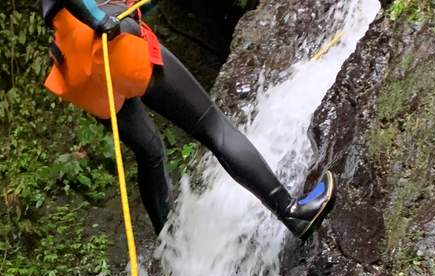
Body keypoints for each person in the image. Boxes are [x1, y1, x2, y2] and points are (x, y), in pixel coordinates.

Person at [40, 0, 337, 239]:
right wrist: (96, 18)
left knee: (150, 151)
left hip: (76, 69)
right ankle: (292, 212)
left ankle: (169, 248)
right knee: (214, 127)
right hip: (106, 41)